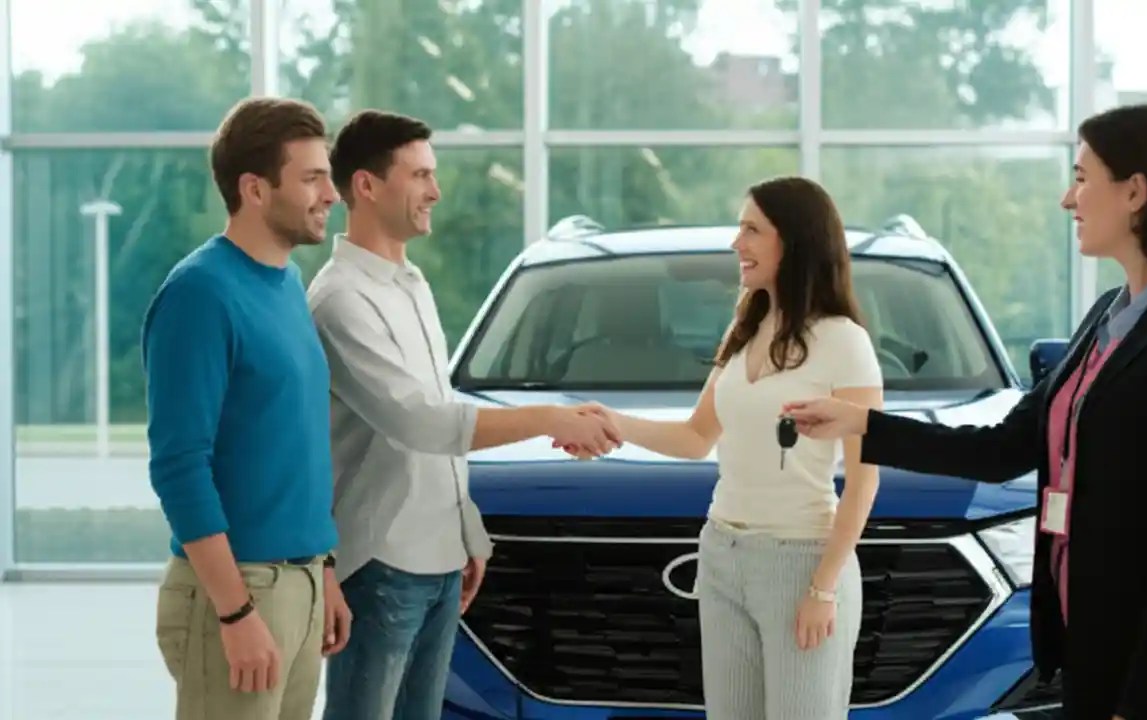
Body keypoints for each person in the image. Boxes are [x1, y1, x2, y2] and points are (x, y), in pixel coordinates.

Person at [783, 103, 1147, 720]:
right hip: (1088, 659)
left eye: (1083, 177)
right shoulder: (1105, 321)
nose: (1070, 199)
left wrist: (1143, 708)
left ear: (1136, 191)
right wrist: (861, 425)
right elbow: (1003, 449)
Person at [307, 109, 622, 720]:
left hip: (440, 562)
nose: (436, 191)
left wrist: (466, 530)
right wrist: (551, 419)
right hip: (381, 566)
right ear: (367, 186)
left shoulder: (411, 283)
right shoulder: (340, 299)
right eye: (421, 174)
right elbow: (421, 423)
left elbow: (442, 414)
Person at [559, 176, 883, 720]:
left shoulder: (844, 341)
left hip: (801, 560)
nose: (737, 244)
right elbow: (695, 437)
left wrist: (823, 588)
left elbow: (864, 479)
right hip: (723, 554)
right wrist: (613, 422)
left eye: (752, 230)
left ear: (795, 241)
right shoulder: (745, 327)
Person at [142, 97, 349, 720]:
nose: (331, 194)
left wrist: (324, 568)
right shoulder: (200, 294)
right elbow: (179, 466)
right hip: (238, 594)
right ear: (255, 189)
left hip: (301, 585)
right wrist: (235, 611)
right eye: (312, 178)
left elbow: (295, 442)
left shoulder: (286, 283)